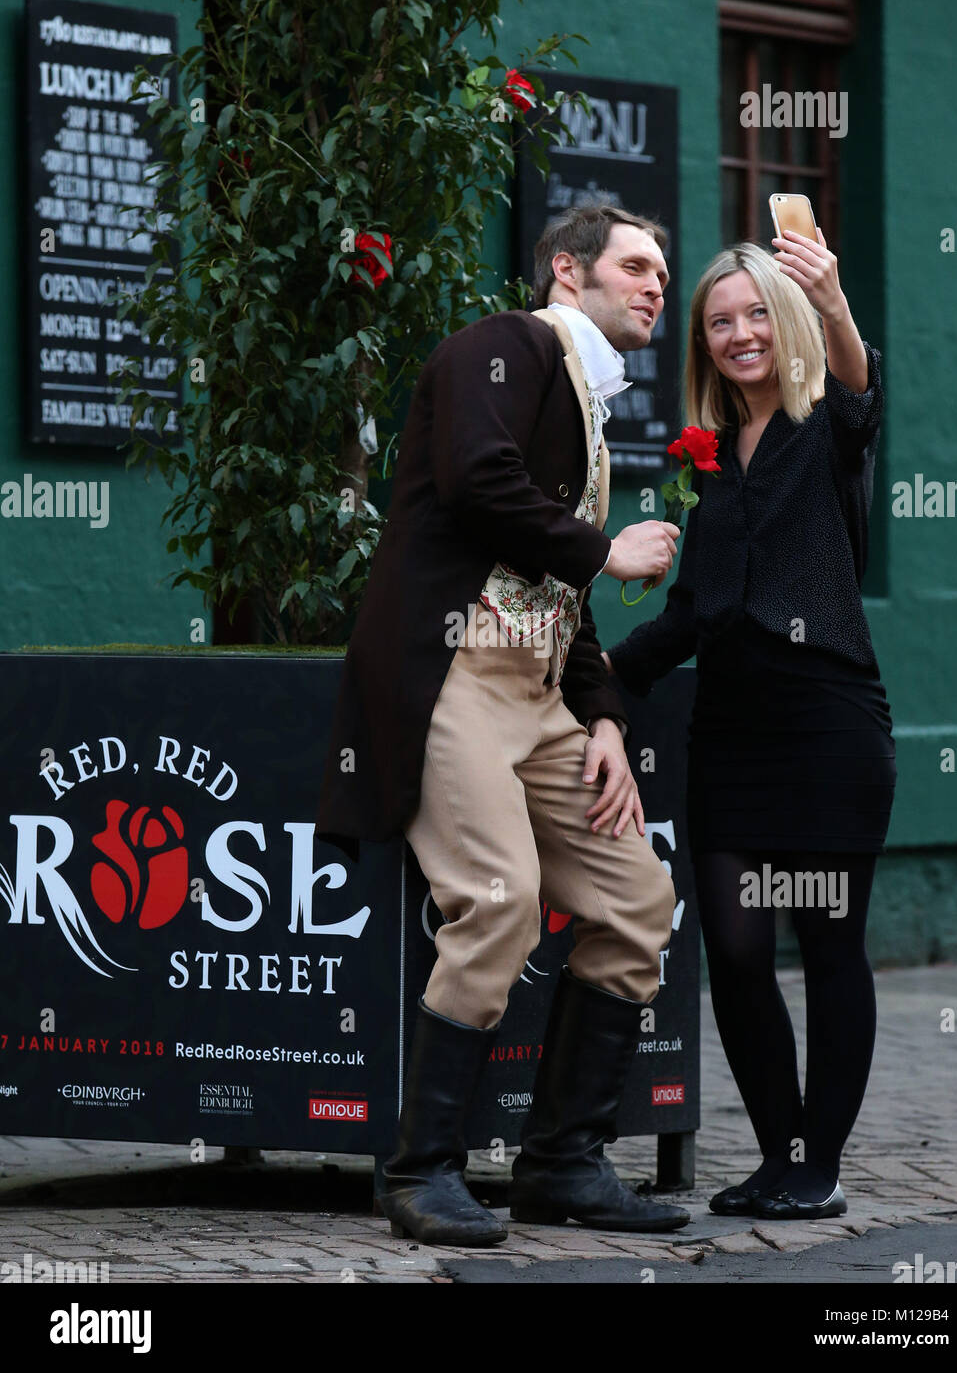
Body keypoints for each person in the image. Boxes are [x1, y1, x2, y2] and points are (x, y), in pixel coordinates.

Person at [316, 204, 691, 1245]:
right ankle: (421, 1170)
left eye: (663, 269)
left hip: (539, 694)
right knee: (499, 896)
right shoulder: (502, 346)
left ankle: (562, 1164)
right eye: (634, 265)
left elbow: (554, 602)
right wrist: (602, 549)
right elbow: (479, 484)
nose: (656, 283)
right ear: (567, 271)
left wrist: (605, 714)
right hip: (455, 678)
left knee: (637, 900)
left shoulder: (589, 399)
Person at [604, 230, 896, 1221]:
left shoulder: (829, 423)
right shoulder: (710, 463)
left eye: (758, 312)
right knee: (732, 946)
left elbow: (860, 381)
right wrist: (606, 670)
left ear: (792, 317)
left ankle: (818, 1164)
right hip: (729, 727)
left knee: (827, 945)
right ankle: (778, 1154)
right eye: (720, 320)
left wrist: (838, 302)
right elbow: (692, 613)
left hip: (826, 722)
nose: (739, 333)